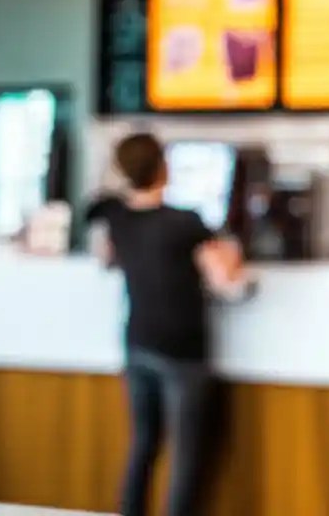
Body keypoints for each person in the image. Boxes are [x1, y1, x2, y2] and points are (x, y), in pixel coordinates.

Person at [90, 133, 245, 516]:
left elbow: (106, 260)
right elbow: (227, 279)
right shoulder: (185, 222)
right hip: (182, 349)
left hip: (137, 342)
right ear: (164, 167)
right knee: (186, 452)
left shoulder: (117, 218)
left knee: (143, 443)